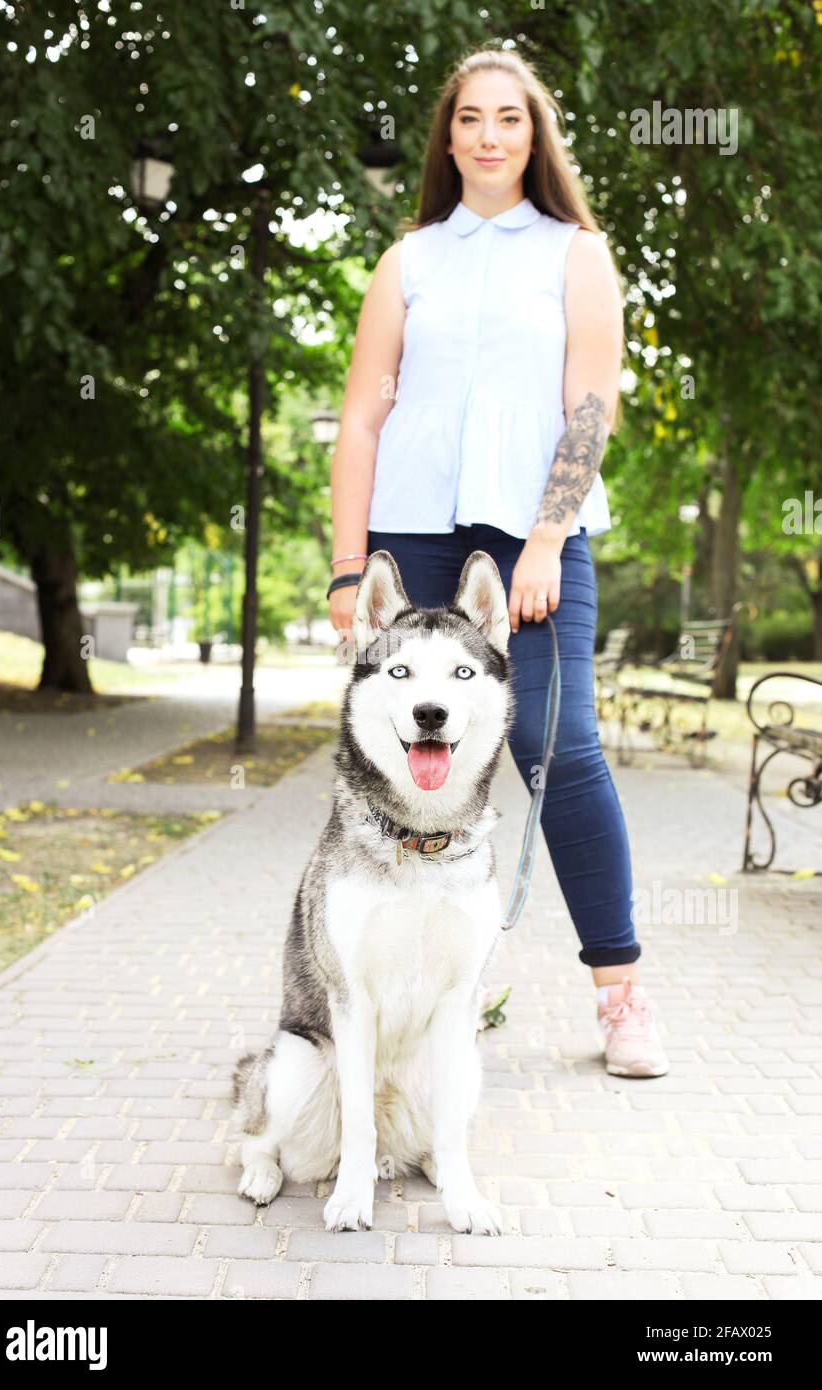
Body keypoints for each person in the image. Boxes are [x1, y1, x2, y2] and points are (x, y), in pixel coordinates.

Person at [326, 48, 668, 1078]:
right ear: (446, 137)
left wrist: (545, 541)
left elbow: (588, 410)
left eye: (507, 118)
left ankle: (621, 997)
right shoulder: (408, 261)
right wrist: (350, 569)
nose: (486, 135)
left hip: (531, 540)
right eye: (468, 118)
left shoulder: (576, 253)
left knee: (557, 751)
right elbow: (358, 417)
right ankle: (412, 1000)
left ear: (533, 135)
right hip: (412, 538)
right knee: (403, 765)